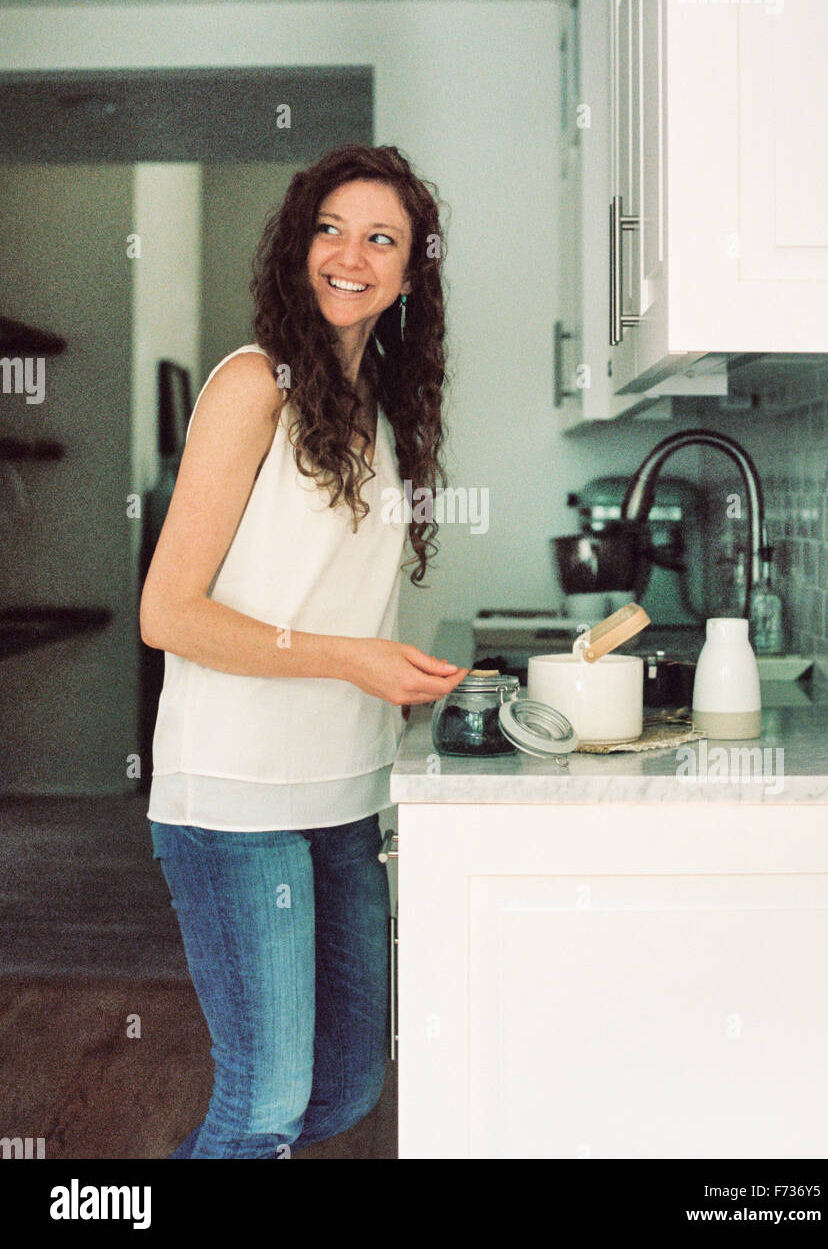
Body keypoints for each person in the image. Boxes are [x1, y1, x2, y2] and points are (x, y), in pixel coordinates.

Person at [140, 143, 468, 1159]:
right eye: (330, 227)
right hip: (237, 796)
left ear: (411, 274)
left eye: (382, 238)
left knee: (349, 1082)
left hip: (341, 789)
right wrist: (349, 659)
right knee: (264, 1102)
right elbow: (169, 614)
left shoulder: (380, 409)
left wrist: (387, 672)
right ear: (296, 246)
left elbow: (321, 591)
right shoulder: (253, 386)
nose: (351, 254)